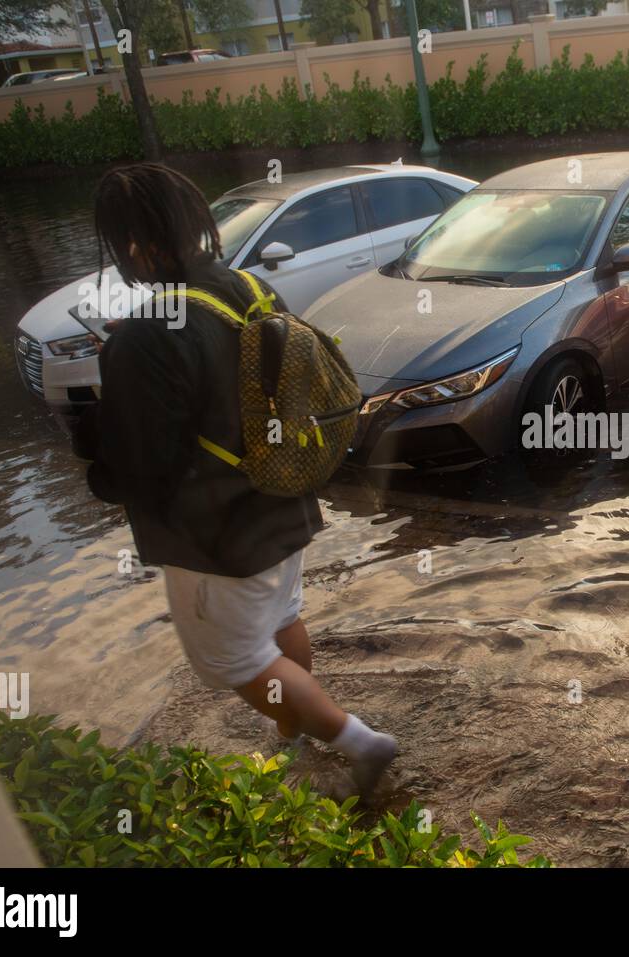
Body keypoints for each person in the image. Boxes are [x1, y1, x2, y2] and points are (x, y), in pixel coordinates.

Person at [72, 163, 395, 796]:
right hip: (283, 498)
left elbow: (142, 467)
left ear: (132, 246)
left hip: (213, 535)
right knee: (279, 621)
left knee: (236, 659)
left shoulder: (146, 337)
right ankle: (291, 735)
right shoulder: (246, 288)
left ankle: (360, 742)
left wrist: (99, 427)